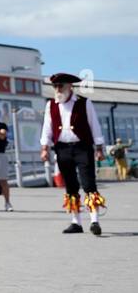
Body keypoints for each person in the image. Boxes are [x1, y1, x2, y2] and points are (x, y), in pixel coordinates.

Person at [40, 72, 107, 235]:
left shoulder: (84, 103)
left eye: (60, 86)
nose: (57, 89)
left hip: (82, 147)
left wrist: (99, 147)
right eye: (55, 86)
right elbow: (47, 127)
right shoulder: (51, 105)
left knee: (88, 184)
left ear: (70, 86)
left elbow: (94, 125)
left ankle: (94, 221)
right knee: (70, 186)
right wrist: (44, 147)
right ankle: (76, 222)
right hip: (62, 149)